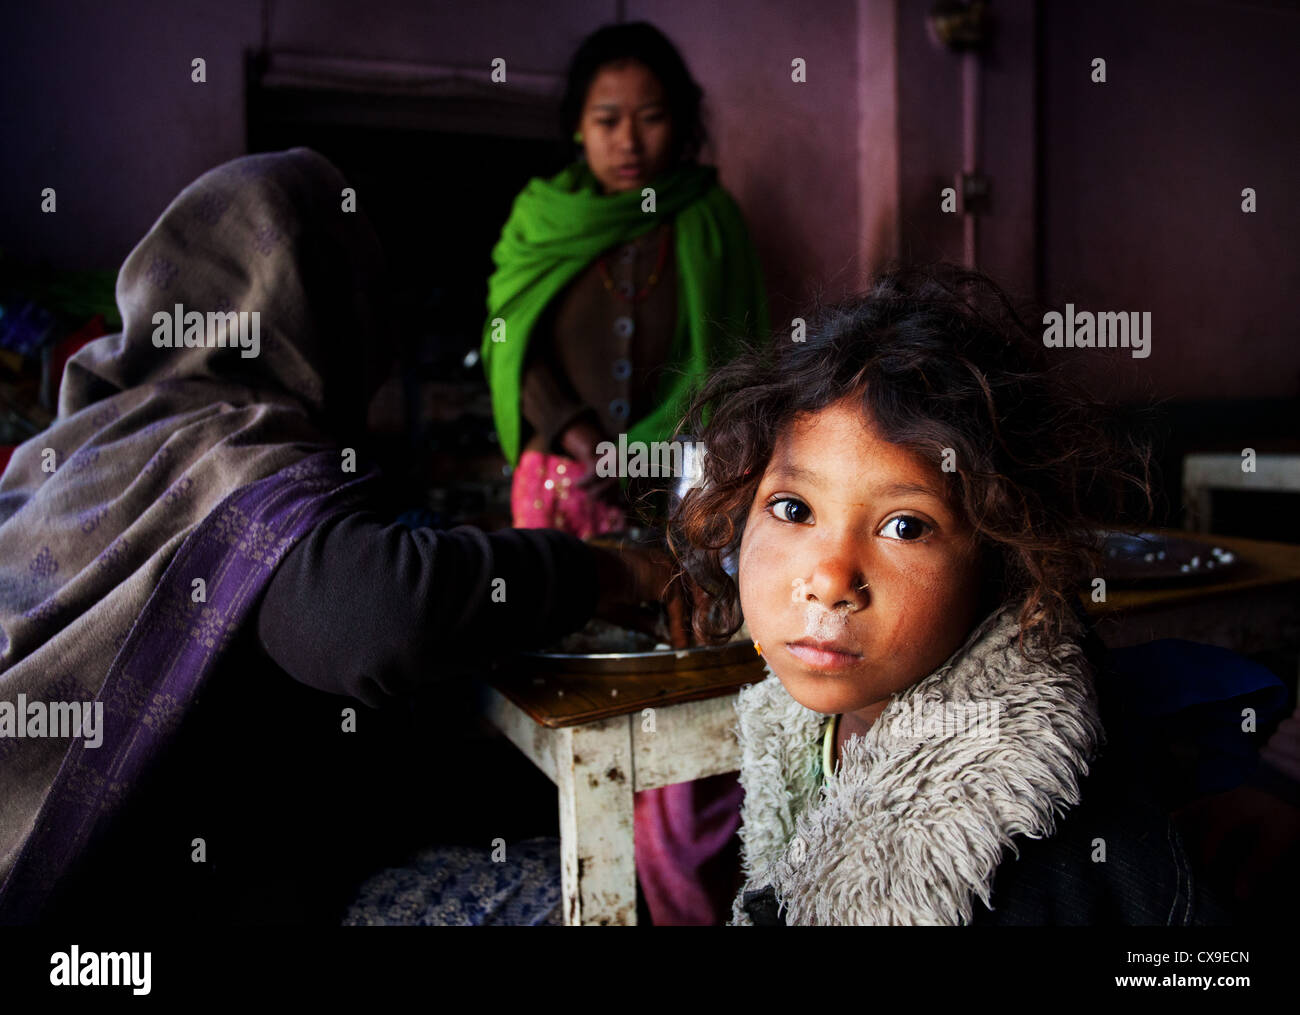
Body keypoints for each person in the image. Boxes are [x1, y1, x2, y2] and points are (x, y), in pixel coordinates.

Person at [0, 148, 680, 925]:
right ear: (321, 309)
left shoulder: (84, 438)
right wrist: (613, 571)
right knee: (596, 888)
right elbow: (374, 619)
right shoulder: (227, 439)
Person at [671, 264, 1232, 925]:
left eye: (904, 526)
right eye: (793, 509)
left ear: (1000, 563)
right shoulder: (802, 717)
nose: (826, 578)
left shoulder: (1036, 834)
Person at [480, 21, 768, 925]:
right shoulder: (539, 219)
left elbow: (740, 363)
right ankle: (582, 874)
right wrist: (574, 441)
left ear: (680, 125)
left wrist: (667, 459)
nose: (628, 140)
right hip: (561, 488)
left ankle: (671, 883)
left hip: (680, 488)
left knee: (678, 691)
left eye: (649, 118)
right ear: (577, 126)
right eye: (607, 119)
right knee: (567, 692)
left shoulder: (712, 220)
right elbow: (510, 342)